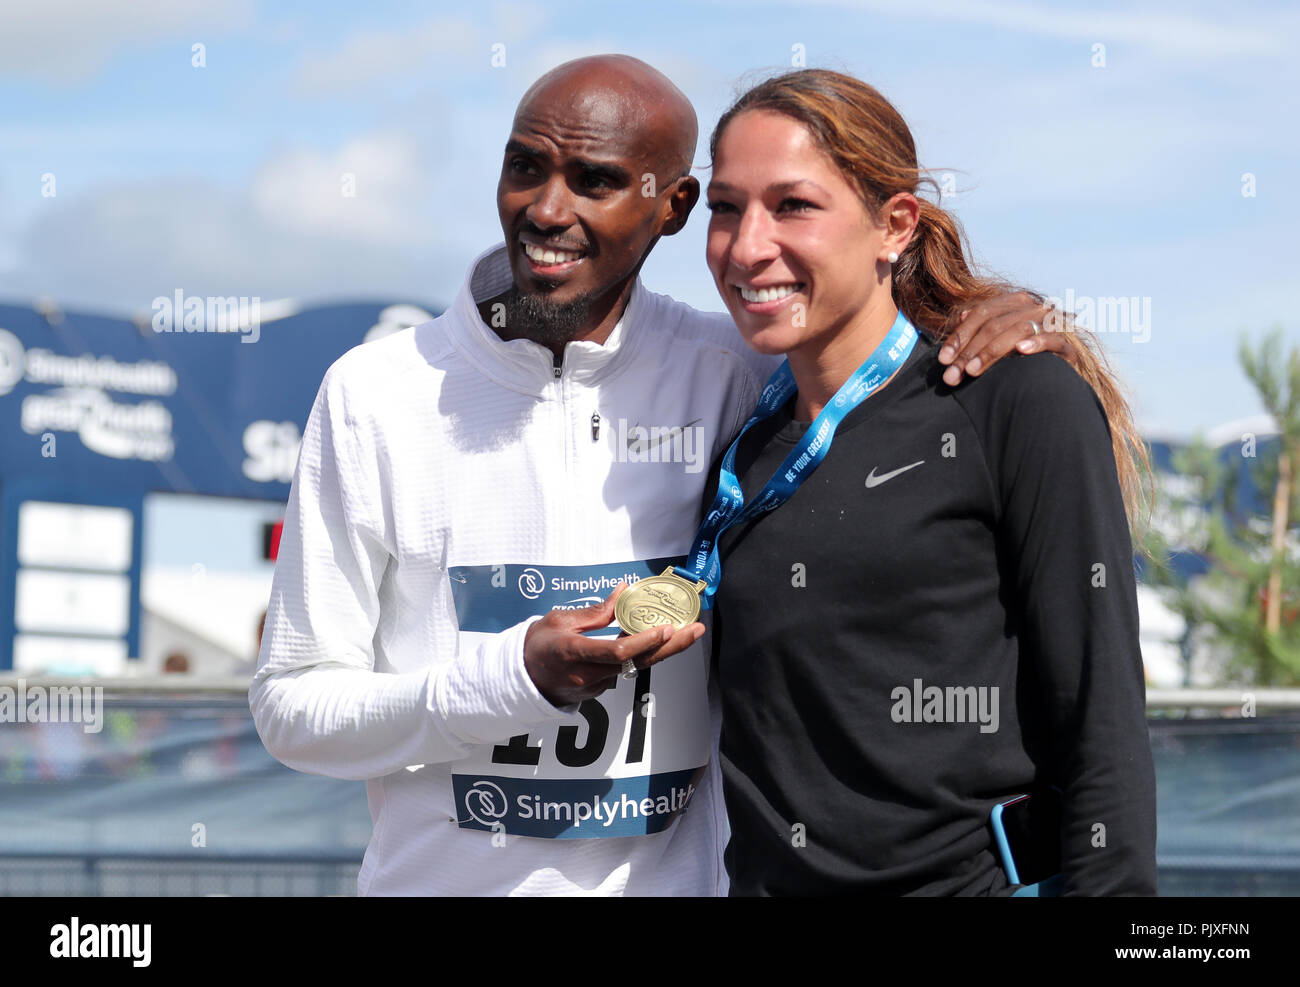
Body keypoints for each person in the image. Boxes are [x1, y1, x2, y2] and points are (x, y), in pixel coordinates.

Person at [250, 55, 1068, 896]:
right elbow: (291, 708)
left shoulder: (740, 375)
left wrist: (997, 321)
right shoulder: (375, 394)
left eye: (595, 179)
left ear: (674, 207)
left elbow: (868, 342)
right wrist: (511, 680)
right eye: (524, 166)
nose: (545, 209)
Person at [698, 69, 1157, 896]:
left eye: (792, 205)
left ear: (895, 225)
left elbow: (1102, 719)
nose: (746, 244)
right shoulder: (741, 436)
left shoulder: (1015, 398)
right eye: (725, 207)